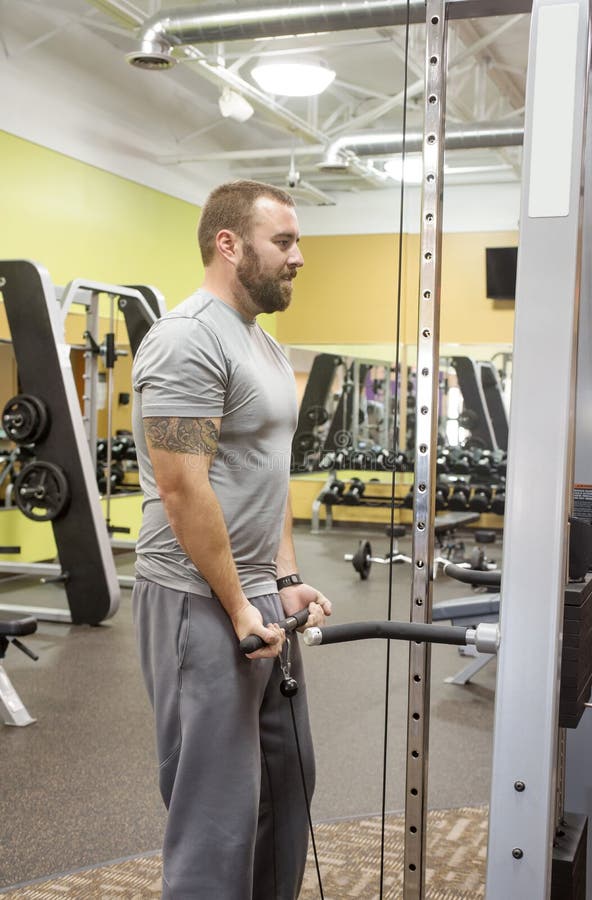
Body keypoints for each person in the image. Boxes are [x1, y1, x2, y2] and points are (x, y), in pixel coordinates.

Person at [131, 179, 332, 900]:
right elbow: (183, 488)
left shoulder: (266, 347)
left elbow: (267, 472)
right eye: (284, 241)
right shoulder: (188, 339)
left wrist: (280, 581)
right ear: (229, 244)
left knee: (286, 776)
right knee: (218, 805)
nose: (298, 257)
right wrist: (238, 605)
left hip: (252, 593)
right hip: (194, 594)